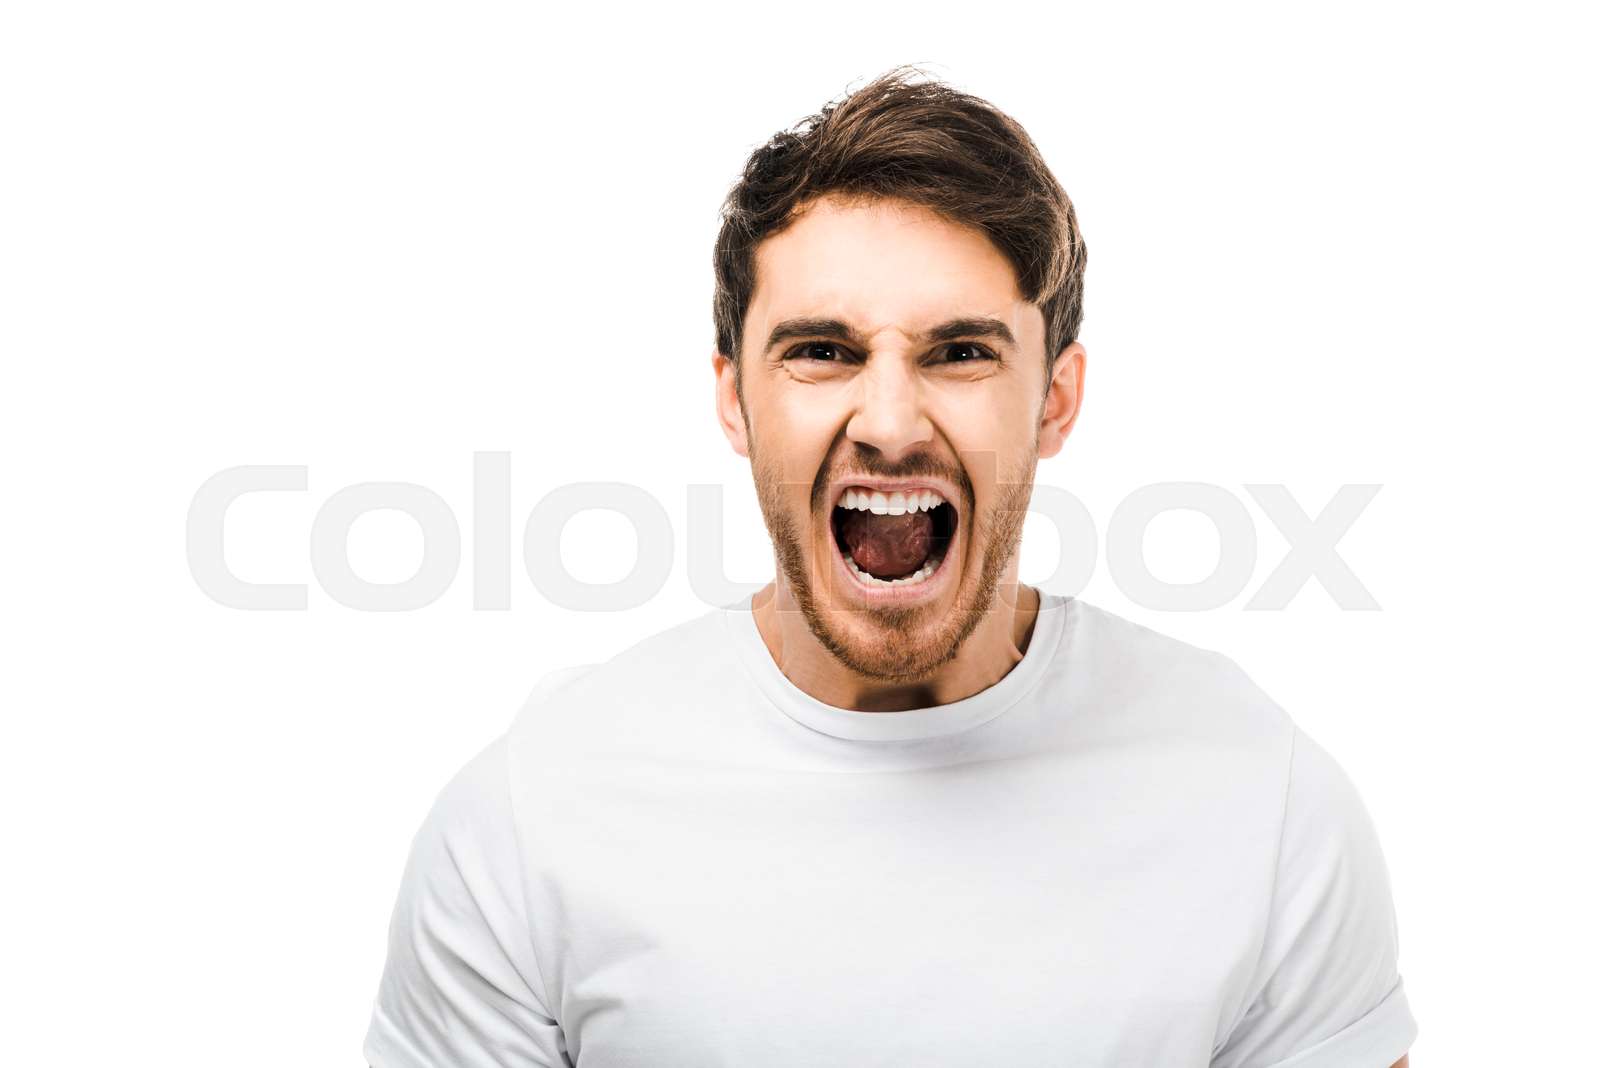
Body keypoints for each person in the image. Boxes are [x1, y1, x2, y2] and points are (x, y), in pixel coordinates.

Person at [364, 68, 1417, 1067]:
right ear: (734, 399)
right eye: (821, 350)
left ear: (1054, 399)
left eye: (960, 353)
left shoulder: (1260, 800)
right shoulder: (531, 812)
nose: (889, 422)